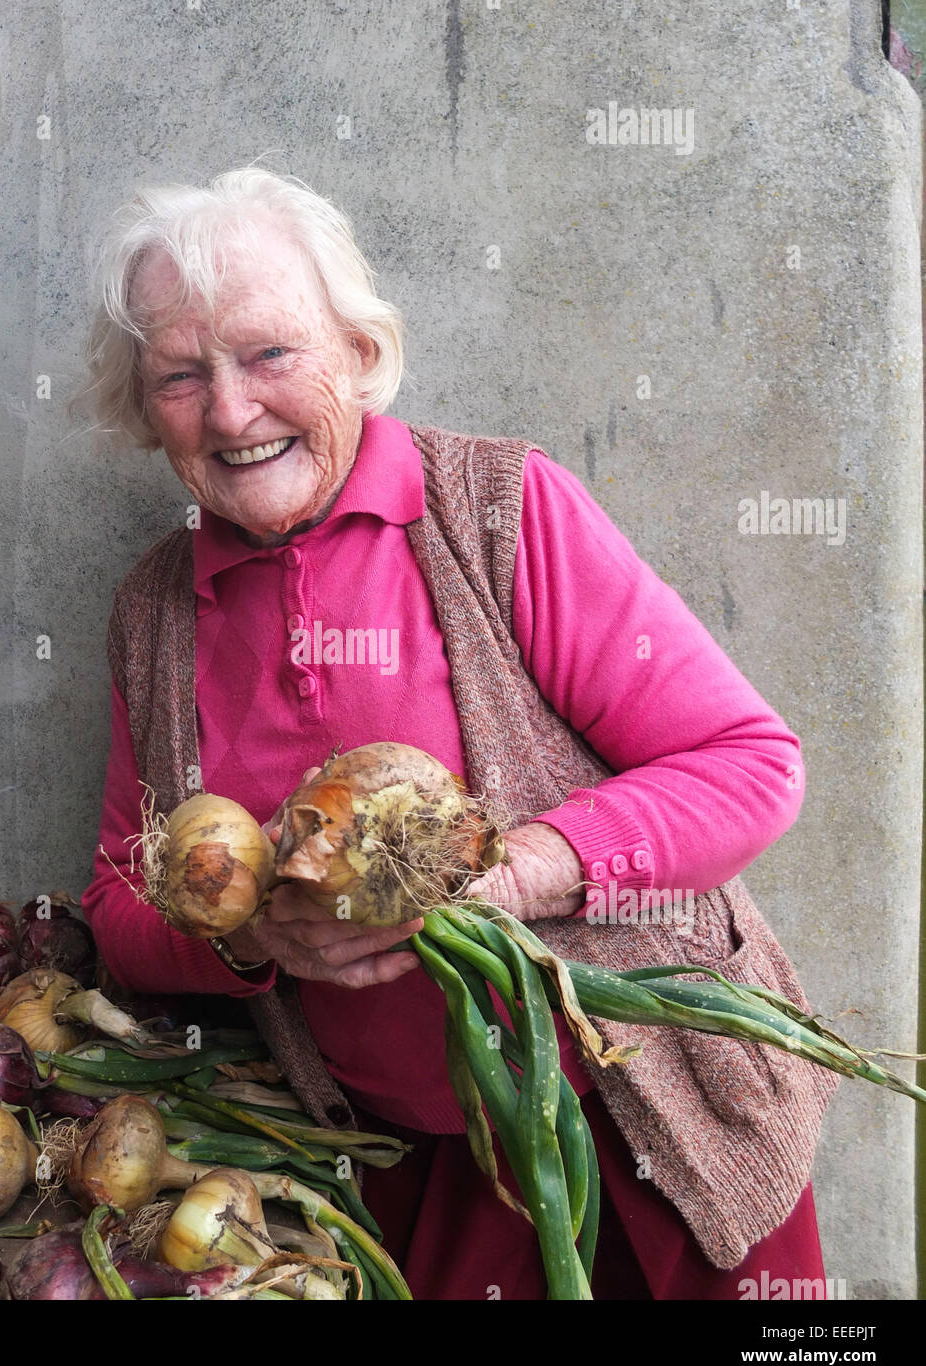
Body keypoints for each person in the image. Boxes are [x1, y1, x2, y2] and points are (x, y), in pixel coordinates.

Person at [76, 166, 837, 1299]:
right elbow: (116, 902)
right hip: (408, 1173)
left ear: (360, 350)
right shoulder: (152, 613)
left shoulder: (496, 510)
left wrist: (521, 873)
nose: (230, 411)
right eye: (181, 376)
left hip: (641, 1126)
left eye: (269, 355)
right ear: (146, 411)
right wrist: (249, 942)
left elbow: (747, 765)